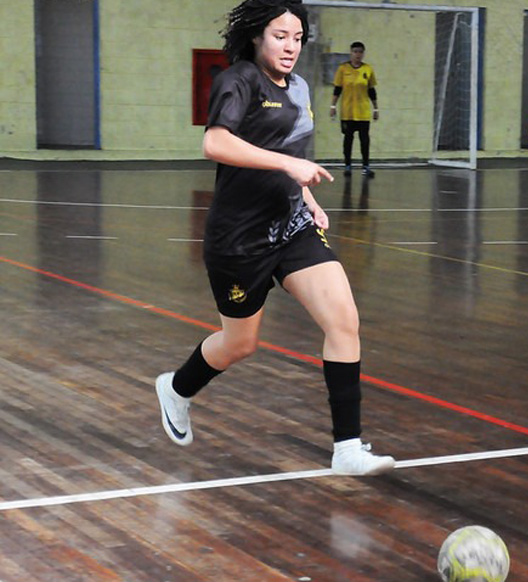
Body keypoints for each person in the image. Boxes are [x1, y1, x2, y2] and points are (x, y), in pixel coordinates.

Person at [154, 0, 395, 477]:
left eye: (297, 38)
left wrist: (305, 196)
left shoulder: (301, 87)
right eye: (280, 36)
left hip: (292, 226)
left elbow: (291, 150)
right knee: (239, 344)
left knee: (344, 321)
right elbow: (215, 143)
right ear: (258, 37)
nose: (290, 47)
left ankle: (346, 448)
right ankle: (177, 389)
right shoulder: (237, 80)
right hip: (239, 240)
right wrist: (288, 166)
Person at [330, 41, 378, 178]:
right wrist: (333, 106)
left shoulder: (367, 69)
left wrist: (376, 109)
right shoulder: (343, 69)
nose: (357, 54)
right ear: (351, 53)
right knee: (348, 140)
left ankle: (366, 167)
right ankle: (347, 166)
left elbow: (372, 90)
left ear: (363, 54)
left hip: (363, 113)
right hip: (347, 112)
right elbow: (337, 89)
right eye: (355, 52)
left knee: (364, 141)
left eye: (360, 52)